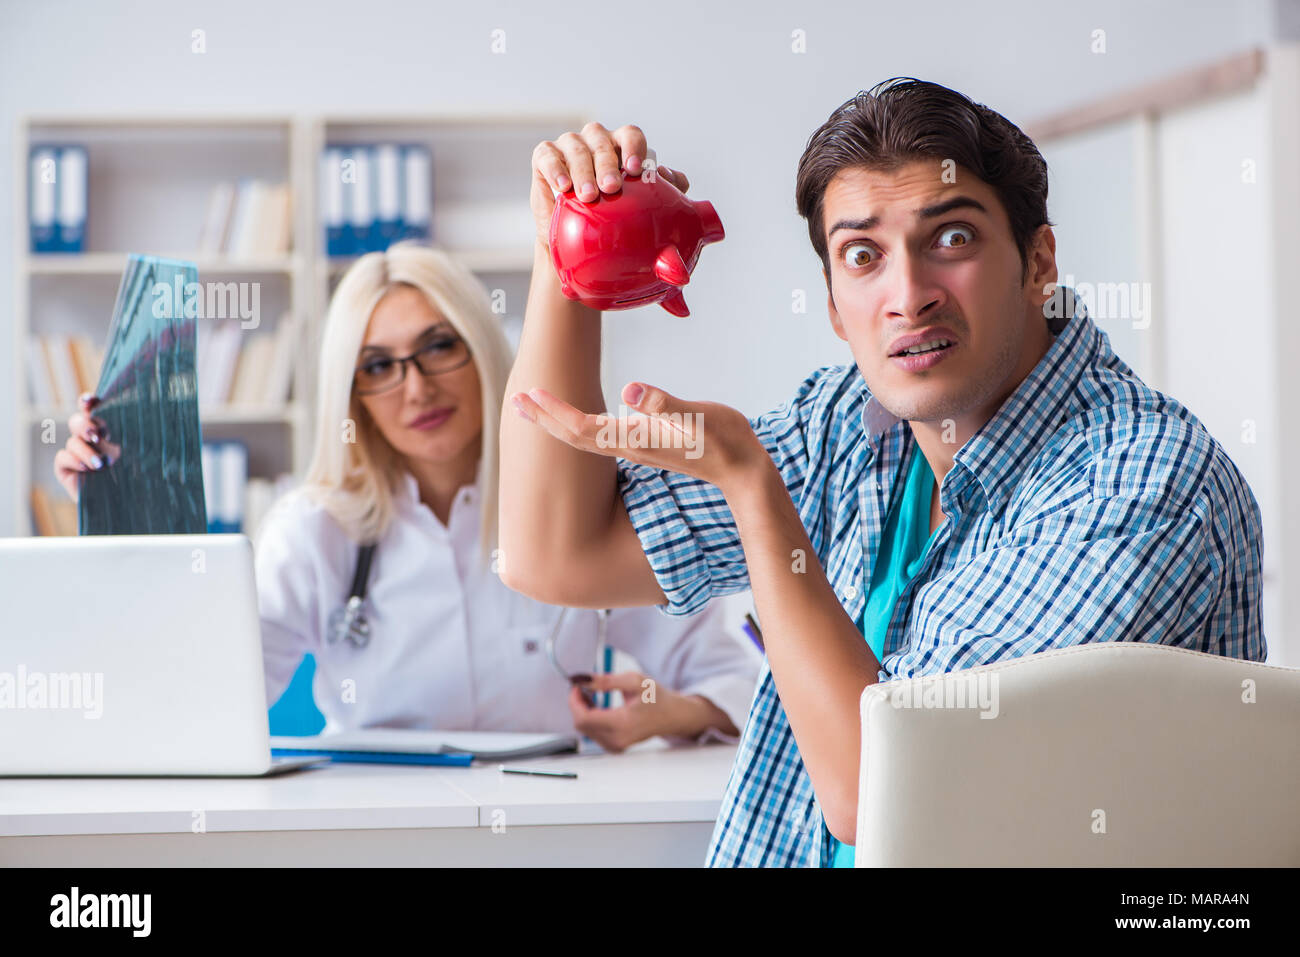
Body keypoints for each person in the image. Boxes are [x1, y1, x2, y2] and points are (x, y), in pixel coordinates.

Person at [497, 78, 1266, 866]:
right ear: (834, 307)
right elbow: (555, 553)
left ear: (1039, 262)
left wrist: (754, 492)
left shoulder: (1141, 484)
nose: (908, 296)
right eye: (862, 255)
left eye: (952, 239)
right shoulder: (850, 424)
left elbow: (886, 796)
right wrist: (569, 245)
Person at [55, 242, 758, 749]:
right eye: (378, 366)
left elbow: (733, 674)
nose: (416, 387)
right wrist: (124, 526)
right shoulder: (313, 531)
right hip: (383, 834)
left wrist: (676, 712)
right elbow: (202, 702)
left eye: (438, 347)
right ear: (350, 392)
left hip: (550, 824)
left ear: (483, 348)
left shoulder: (577, 505)